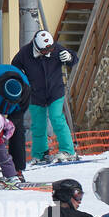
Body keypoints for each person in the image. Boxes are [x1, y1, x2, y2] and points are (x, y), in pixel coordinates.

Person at [12, 29, 78, 165]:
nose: (49, 52)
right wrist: (22, 81)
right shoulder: (25, 53)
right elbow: (14, 69)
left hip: (55, 92)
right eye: (45, 51)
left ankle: (68, 151)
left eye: (51, 49)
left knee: (57, 119)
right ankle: (40, 154)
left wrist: (69, 57)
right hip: (35, 94)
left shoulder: (55, 48)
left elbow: (72, 59)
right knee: (38, 125)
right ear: (37, 47)